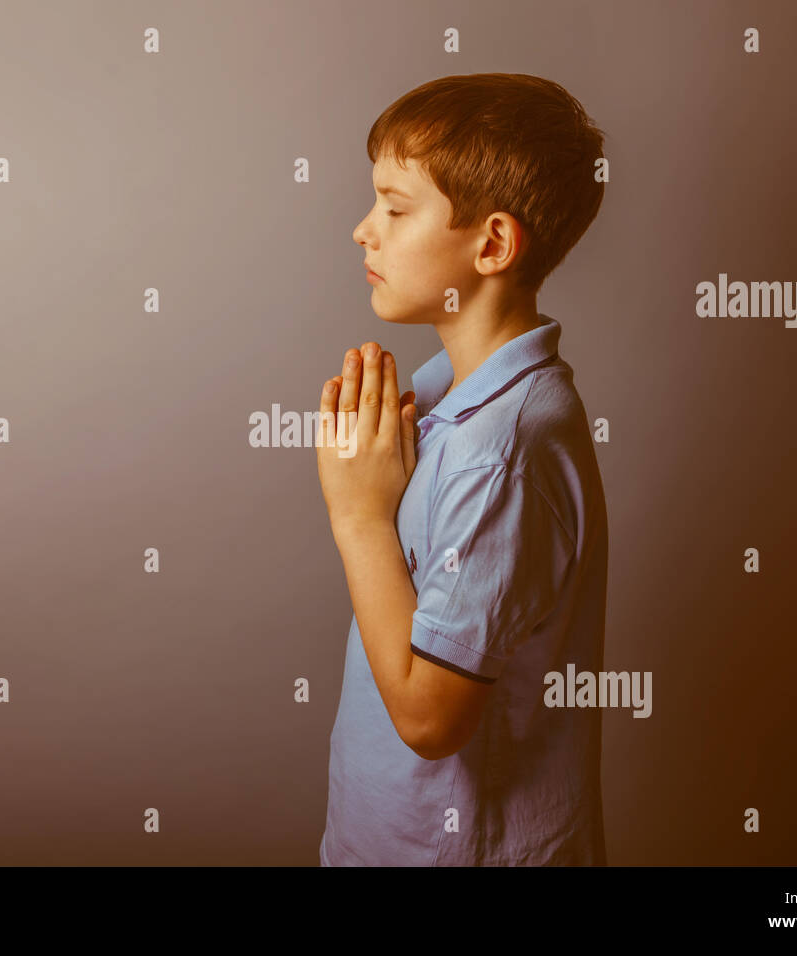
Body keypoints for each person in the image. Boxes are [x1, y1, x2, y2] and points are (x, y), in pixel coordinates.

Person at [315, 73, 610, 865]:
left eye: (395, 208)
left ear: (491, 245)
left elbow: (430, 719)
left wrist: (357, 515)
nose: (362, 231)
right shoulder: (457, 395)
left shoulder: (502, 452)